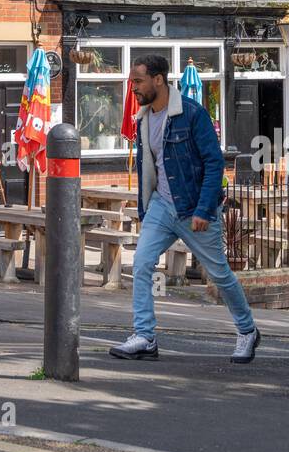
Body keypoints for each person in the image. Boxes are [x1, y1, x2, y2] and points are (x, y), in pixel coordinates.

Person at [109, 53, 261, 364]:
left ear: (158, 80)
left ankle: (247, 330)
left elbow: (213, 162)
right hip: (162, 206)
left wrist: (204, 210)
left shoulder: (191, 114)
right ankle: (145, 336)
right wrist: (145, 209)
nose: (133, 87)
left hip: (194, 207)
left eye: (137, 81)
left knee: (219, 273)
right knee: (141, 264)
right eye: (131, 81)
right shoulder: (144, 118)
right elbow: (150, 167)